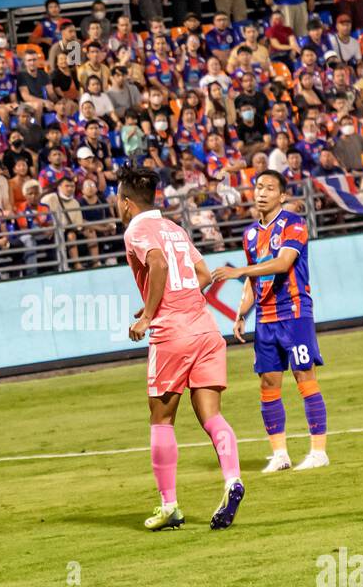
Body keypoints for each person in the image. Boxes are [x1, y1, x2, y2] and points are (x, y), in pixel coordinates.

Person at [119, 166, 244, 532]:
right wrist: (164, 301)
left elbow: (156, 263)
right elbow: (202, 277)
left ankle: (170, 505)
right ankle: (232, 480)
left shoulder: (137, 229)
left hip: (172, 334)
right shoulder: (174, 228)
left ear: (126, 203)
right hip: (205, 328)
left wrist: (149, 315)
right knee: (212, 416)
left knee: (162, 419)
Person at [213, 170, 327, 474]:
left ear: (282, 195)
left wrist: (239, 272)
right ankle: (280, 454)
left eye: (269, 188)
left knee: (305, 377)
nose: (262, 192)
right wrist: (241, 312)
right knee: (267, 383)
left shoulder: (294, 224)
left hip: (295, 313)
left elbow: (283, 263)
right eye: (258, 187)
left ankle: (318, 451)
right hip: (265, 318)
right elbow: (255, 279)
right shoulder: (250, 234)